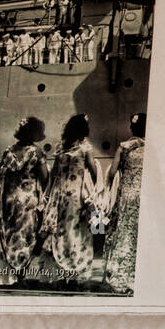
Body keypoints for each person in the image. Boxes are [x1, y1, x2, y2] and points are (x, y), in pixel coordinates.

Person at [39, 114, 100, 285]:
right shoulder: (85, 148)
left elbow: (53, 175)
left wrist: (49, 196)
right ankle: (74, 269)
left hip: (59, 195)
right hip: (76, 196)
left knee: (60, 231)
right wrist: (94, 193)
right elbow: (94, 172)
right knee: (78, 232)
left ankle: (59, 270)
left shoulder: (60, 148)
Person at [0, 116, 49, 287]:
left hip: (8, 199)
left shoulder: (9, 151)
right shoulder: (37, 153)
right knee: (23, 237)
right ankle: (16, 273)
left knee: (7, 235)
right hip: (27, 201)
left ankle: (2, 275)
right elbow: (45, 178)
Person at [103, 112, 146, 293]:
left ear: (132, 128)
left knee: (124, 232)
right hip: (144, 196)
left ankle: (120, 274)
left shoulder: (124, 147)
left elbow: (112, 173)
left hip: (127, 195)